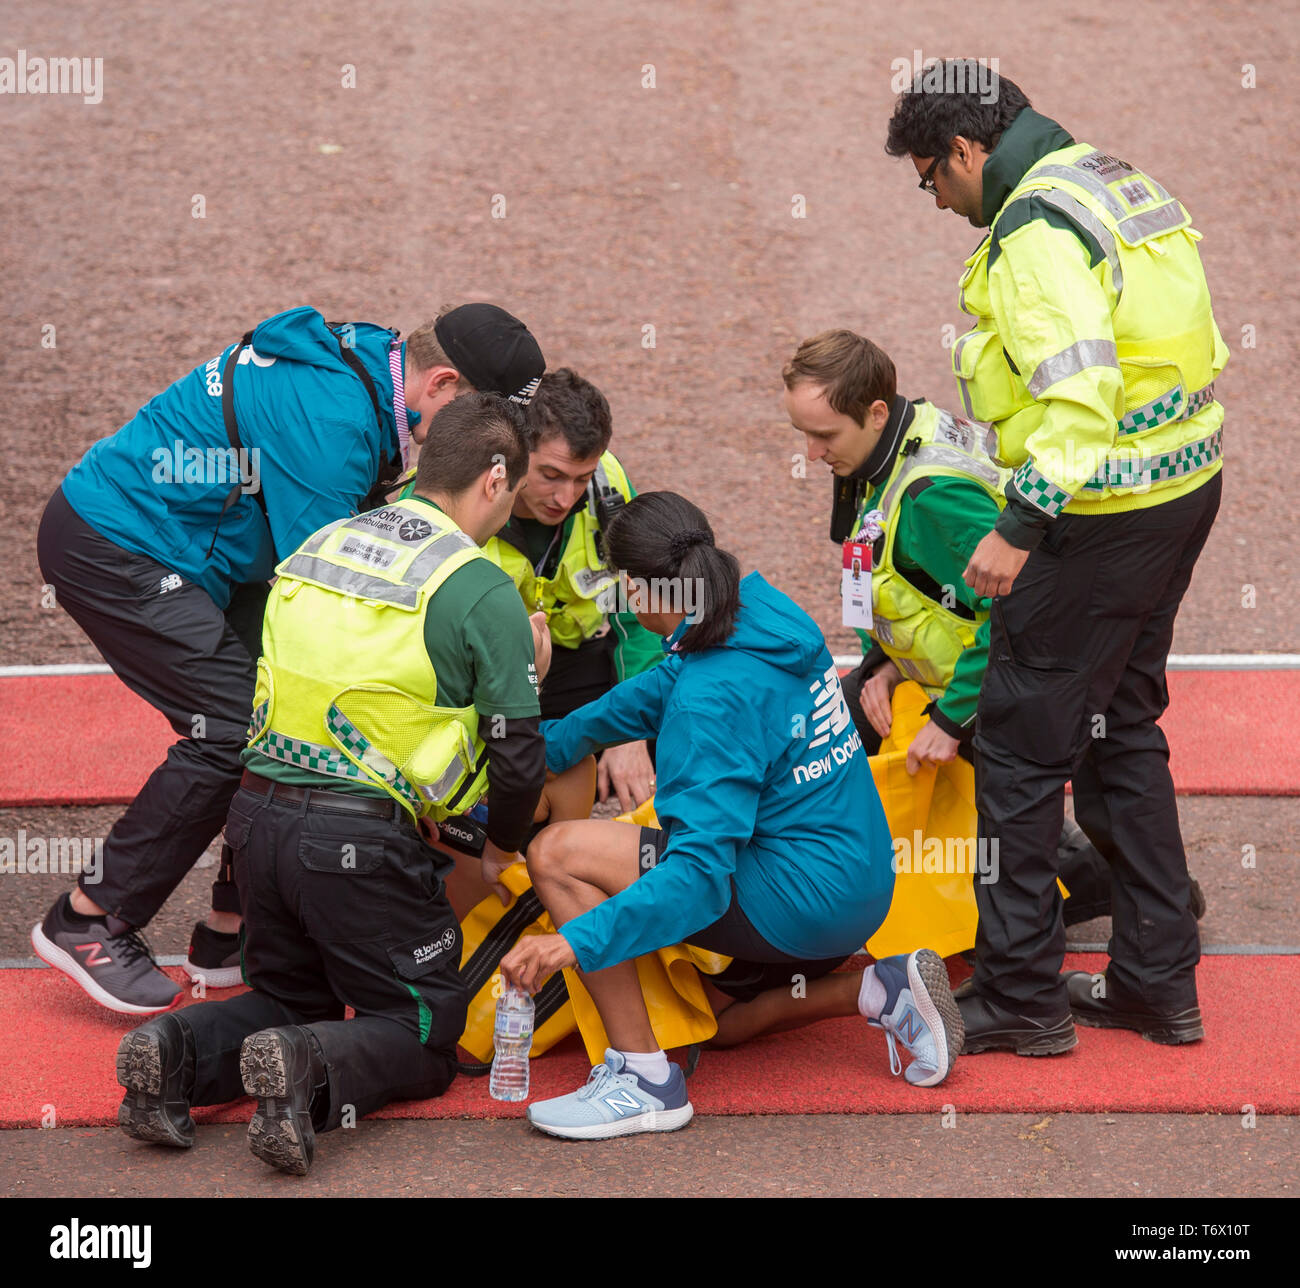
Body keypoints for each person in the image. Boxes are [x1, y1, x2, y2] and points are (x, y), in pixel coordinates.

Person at [32, 302, 544, 1014]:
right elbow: (330, 597)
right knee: (231, 729)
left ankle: (229, 931)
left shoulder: (377, 368)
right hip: (117, 546)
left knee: (282, 717)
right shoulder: (332, 424)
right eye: (483, 422)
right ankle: (90, 917)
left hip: (194, 549)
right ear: (442, 385)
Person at [113, 393, 547, 1176]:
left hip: (255, 821)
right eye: (512, 494)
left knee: (287, 996)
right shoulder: (477, 586)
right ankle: (306, 1067)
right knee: (420, 1027)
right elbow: (517, 756)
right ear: (492, 480)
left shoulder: (322, 541)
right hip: (356, 841)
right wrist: (499, 850)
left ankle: (172, 1051)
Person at [886, 62, 1226, 1052]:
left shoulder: (1035, 231)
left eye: (929, 178)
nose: (938, 201)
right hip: (1182, 487)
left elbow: (1078, 396)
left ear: (963, 150)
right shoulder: (1112, 179)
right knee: (1122, 727)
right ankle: (1158, 981)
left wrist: (1017, 526)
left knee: (1021, 755)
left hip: (1098, 509)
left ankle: (1021, 993)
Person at [499, 492, 964, 1141]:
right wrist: (560, 740)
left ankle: (643, 1083)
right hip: (859, 880)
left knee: (557, 855)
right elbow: (662, 684)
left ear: (639, 590)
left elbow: (698, 879)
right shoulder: (757, 608)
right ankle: (881, 988)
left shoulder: (707, 704)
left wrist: (572, 941)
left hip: (801, 901)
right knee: (716, 1021)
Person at [783, 327, 1168, 927]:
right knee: (861, 715)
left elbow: (1015, 607)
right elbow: (889, 570)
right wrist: (879, 663)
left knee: (1005, 835)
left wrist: (952, 720)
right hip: (960, 677)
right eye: (803, 434)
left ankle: (1111, 889)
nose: (811, 454)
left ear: (876, 411)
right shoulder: (894, 444)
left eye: (824, 436)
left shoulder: (934, 500)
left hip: (995, 685)